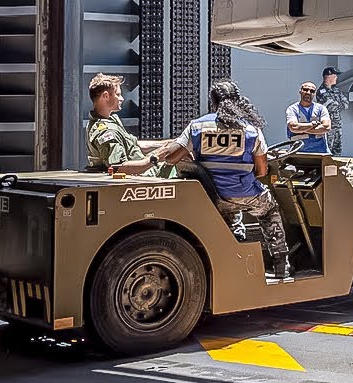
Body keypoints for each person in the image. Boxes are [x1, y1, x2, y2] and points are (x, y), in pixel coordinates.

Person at [176, 80, 293, 280]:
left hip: (213, 196)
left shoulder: (197, 126)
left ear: (212, 101)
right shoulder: (251, 130)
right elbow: (262, 170)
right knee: (269, 210)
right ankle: (281, 263)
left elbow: (174, 156)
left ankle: (235, 256)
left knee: (230, 212)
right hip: (244, 193)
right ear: (238, 101)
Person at [86, 73, 187, 176]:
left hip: (146, 169)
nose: (122, 99)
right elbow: (119, 168)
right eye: (118, 94)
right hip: (144, 177)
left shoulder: (110, 120)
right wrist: (155, 157)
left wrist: (173, 143)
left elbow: (134, 145)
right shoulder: (106, 132)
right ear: (106, 96)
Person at [286, 81, 331, 153]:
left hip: (320, 151)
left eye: (312, 91)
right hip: (298, 152)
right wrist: (313, 125)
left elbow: (326, 127)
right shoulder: (292, 109)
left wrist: (301, 129)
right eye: (305, 90)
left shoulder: (321, 108)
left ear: (314, 94)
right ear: (300, 91)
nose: (308, 92)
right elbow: (293, 127)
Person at [315, 66, 349, 155]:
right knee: (328, 150)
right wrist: (338, 104)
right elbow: (331, 106)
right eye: (335, 75)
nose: (337, 78)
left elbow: (346, 104)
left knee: (337, 150)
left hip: (337, 125)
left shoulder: (336, 90)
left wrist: (337, 104)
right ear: (329, 76)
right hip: (328, 127)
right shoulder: (321, 91)